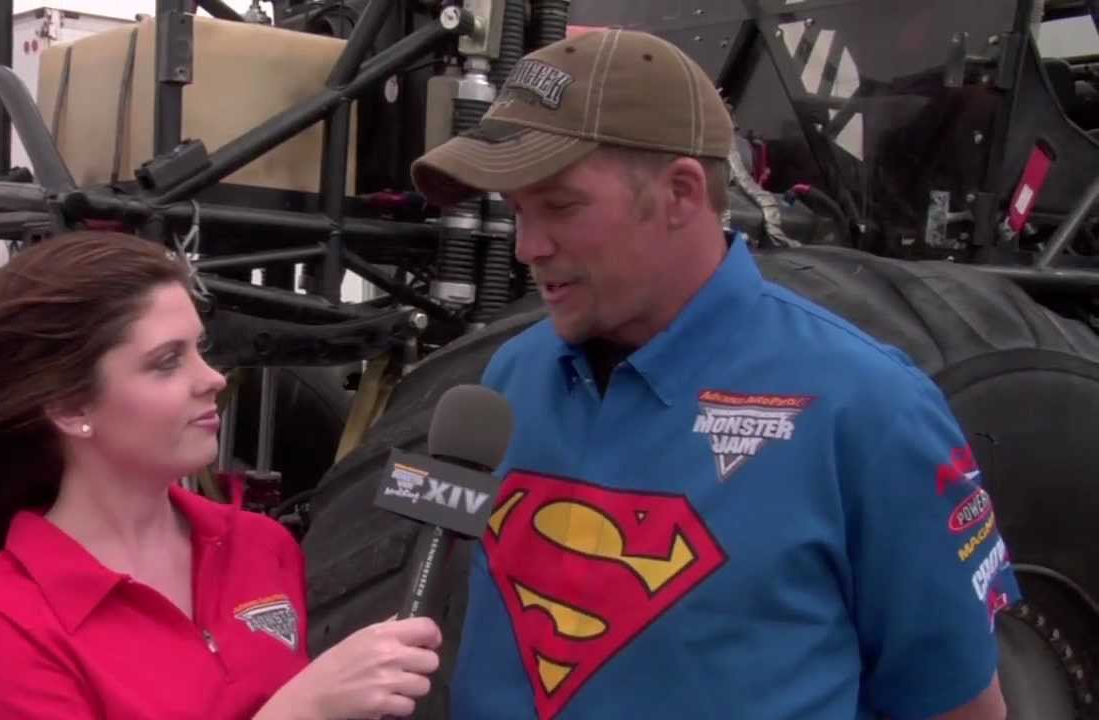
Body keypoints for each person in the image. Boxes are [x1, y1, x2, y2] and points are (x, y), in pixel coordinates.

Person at [410, 28, 1018, 720]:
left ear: (679, 193)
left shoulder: (868, 408)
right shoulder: (508, 378)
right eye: (516, 211)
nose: (528, 248)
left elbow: (957, 706)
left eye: (560, 206)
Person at [0, 231, 442, 719]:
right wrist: (302, 711)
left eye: (201, 350)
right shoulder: (5, 627)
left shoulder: (261, 547)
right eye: (167, 362)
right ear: (71, 408)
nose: (211, 378)